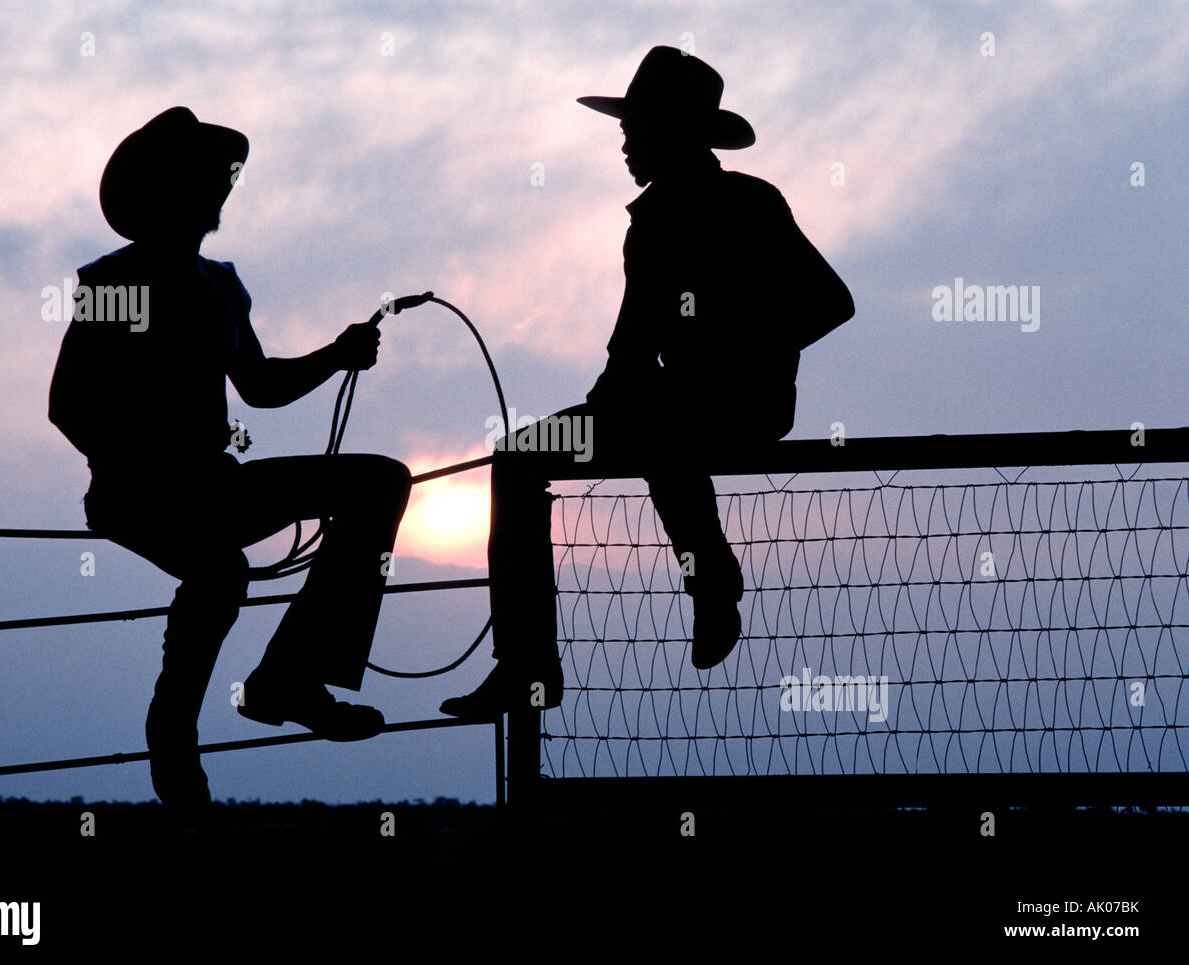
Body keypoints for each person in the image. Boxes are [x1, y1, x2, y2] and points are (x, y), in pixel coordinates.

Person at [441, 47, 855, 719]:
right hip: (682, 407)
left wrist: (735, 353)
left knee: (626, 433)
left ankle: (697, 584)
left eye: (636, 129)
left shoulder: (731, 207)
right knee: (535, 453)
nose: (625, 144)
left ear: (673, 131)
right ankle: (537, 662)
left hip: (736, 406)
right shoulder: (676, 216)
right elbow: (634, 348)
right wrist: (619, 395)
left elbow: (828, 303)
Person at [49, 106, 413, 812]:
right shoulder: (113, 282)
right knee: (221, 569)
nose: (223, 189)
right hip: (136, 494)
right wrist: (146, 465)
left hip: (215, 487)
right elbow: (70, 405)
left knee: (381, 482)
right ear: (173, 189)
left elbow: (262, 385)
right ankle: (175, 734)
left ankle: (292, 675)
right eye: (209, 178)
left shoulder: (221, 285)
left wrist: (336, 355)